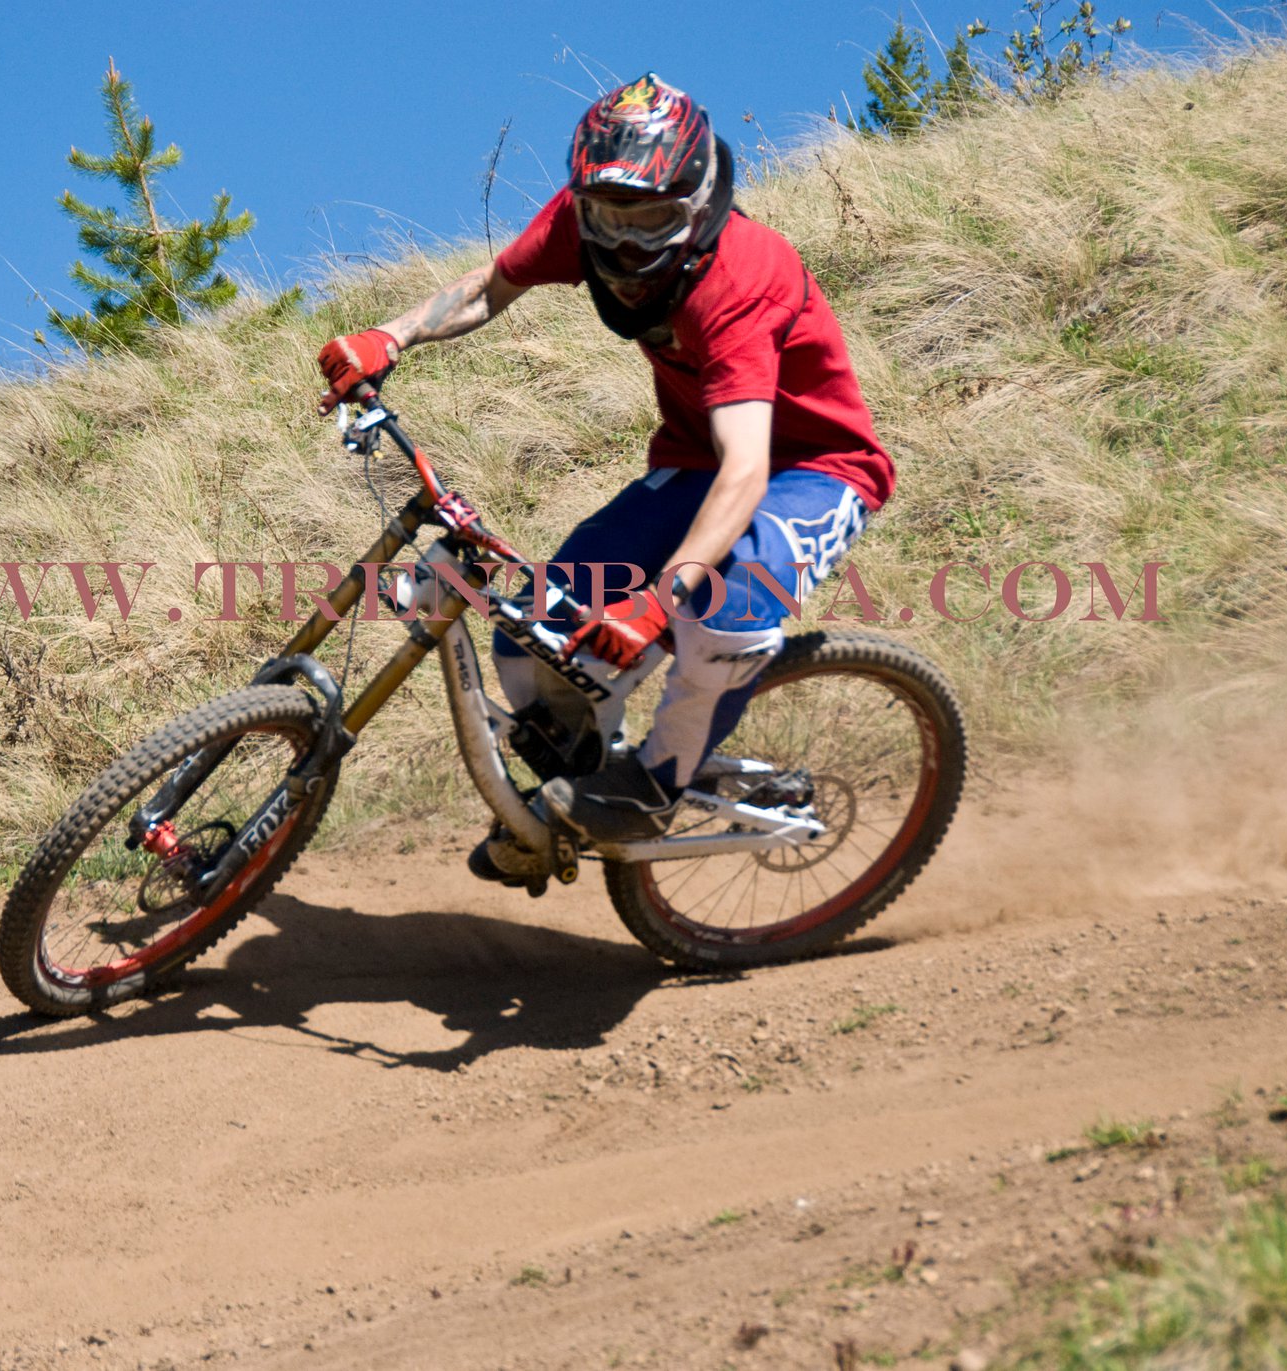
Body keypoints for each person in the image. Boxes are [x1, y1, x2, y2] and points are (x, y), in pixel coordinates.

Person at [315, 73, 894, 878]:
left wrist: (659, 603)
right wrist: (392, 335)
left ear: (694, 201)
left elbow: (749, 468)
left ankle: (652, 786)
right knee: (532, 636)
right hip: (697, 462)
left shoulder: (740, 277)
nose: (623, 241)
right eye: (608, 216)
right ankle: (568, 794)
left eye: (649, 217)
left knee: (719, 618)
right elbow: (491, 288)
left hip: (813, 470)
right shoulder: (585, 219)